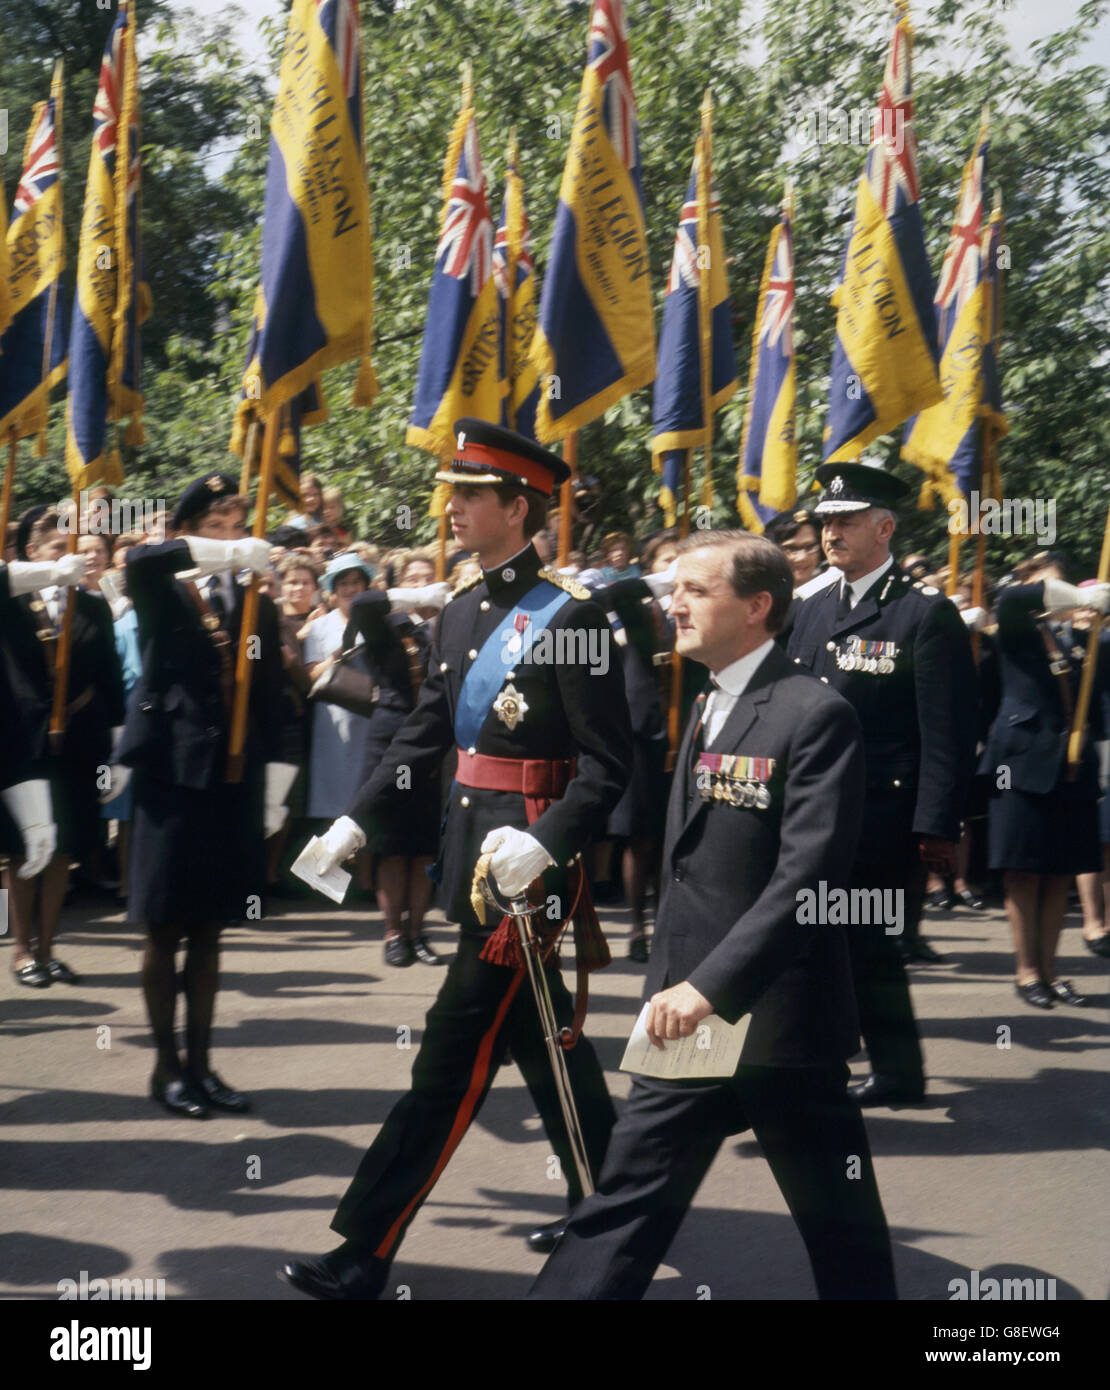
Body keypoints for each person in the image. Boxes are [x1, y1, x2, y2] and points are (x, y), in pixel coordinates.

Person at [282, 418, 632, 1299]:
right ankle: (618, 1210)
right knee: (551, 1049)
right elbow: (424, 733)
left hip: (526, 882)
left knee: (446, 1064)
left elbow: (607, 766)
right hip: (471, 863)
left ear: (519, 508)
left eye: (471, 494)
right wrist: (359, 822)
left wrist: (548, 845)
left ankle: (367, 1248)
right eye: (453, 492)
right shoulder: (463, 608)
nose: (454, 507)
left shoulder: (572, 616)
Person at [528, 532, 895, 1300]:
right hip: (688, 1013)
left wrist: (710, 988)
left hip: (774, 1018)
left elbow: (809, 879)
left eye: (697, 589)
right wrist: (679, 985)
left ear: (758, 606)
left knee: (838, 1220)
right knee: (625, 1201)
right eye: (675, 588)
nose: (675, 602)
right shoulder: (705, 703)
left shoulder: (814, 713)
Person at [787, 463, 978, 1106]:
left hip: (879, 814)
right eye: (825, 522)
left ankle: (897, 1071)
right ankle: (820, 1061)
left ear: (884, 527)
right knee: (808, 939)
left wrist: (935, 825)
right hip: (806, 808)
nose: (830, 532)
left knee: (868, 944)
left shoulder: (922, 614)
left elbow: (946, 732)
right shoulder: (810, 608)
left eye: (844, 521)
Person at [119, 473, 289, 1118]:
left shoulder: (253, 602)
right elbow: (139, 559)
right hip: (170, 774)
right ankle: (165, 1069)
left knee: (212, 928)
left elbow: (268, 689)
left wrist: (275, 778)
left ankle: (202, 1064)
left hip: (229, 777)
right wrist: (220, 553)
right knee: (166, 928)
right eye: (215, 525)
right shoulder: (164, 584)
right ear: (191, 528)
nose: (230, 534)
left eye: (235, 525)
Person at [0, 512, 125, 987]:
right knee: (21, 850)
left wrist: (116, 746)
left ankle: (50, 949)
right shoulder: (10, 600)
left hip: (79, 742)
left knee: (61, 850)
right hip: (21, 744)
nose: (70, 559)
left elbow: (110, 677)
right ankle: (20, 951)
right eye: (57, 550)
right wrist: (51, 575)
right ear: (32, 553)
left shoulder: (92, 607)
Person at [980, 560, 1110, 1006]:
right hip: (1020, 762)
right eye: (1053, 587)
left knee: (1058, 873)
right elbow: (1015, 599)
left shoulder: (1075, 640)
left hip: (1070, 766)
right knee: (1023, 871)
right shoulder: (1017, 629)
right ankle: (1027, 972)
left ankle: (1052, 972)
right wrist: (1080, 596)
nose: (1061, 593)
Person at [303, 552, 376, 828]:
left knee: (366, 801)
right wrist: (338, 656)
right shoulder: (319, 627)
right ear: (334, 589)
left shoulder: (380, 621)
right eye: (343, 583)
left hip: (371, 717)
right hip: (334, 719)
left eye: (356, 582)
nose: (350, 589)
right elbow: (311, 676)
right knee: (333, 799)